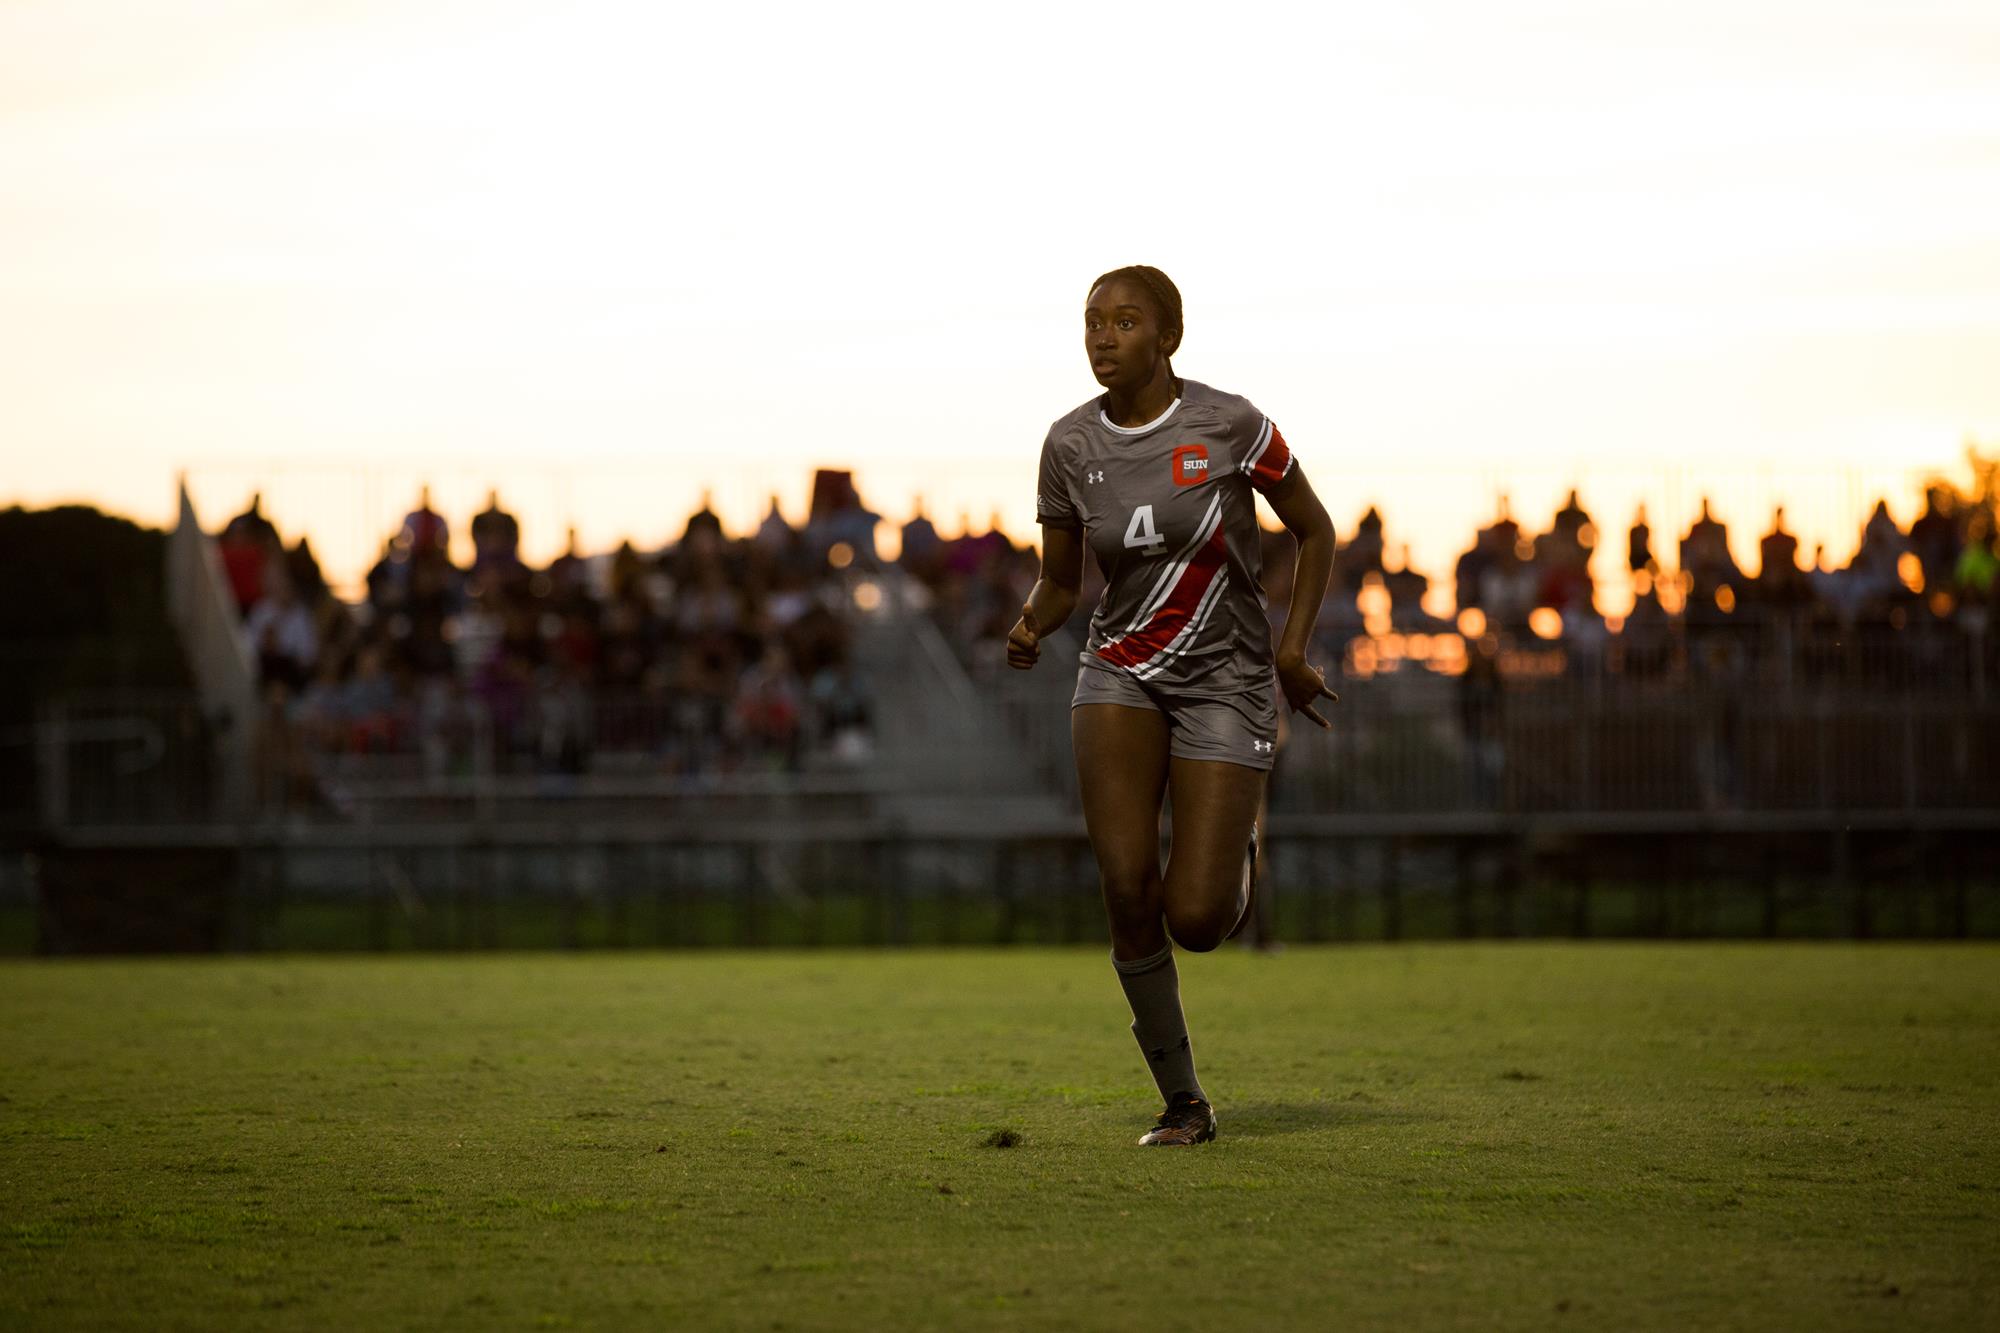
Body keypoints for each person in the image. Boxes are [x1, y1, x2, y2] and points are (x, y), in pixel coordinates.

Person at [1005, 266, 1338, 1147]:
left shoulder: (1231, 423)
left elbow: (1315, 528)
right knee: (1125, 886)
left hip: (1228, 679)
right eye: (1092, 322)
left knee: (1195, 919)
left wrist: (1292, 650)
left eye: (1124, 321)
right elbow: (1060, 580)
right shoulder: (1068, 444)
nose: (1103, 337)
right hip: (1118, 673)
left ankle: (1235, 854)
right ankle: (1184, 1101)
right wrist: (1032, 622)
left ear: (1168, 337)